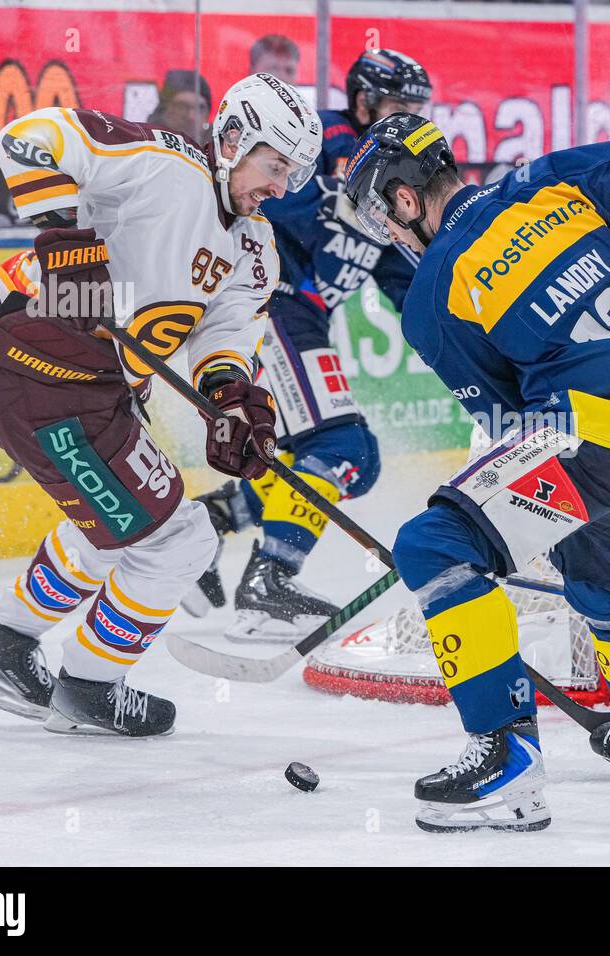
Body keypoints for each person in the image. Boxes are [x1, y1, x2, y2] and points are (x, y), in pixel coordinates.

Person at [344, 114, 610, 832]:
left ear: (404, 199)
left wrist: (486, 533)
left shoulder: (435, 292)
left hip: (592, 436)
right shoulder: (552, 183)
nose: (393, 234)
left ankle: (505, 756)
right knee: (602, 583)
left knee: (435, 547)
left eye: (385, 214)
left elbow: (508, 422)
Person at [0, 73, 321, 736]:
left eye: (292, 175)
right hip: (42, 376)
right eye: (274, 167)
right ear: (233, 138)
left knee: (117, 528)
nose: (280, 188)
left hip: (94, 394)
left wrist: (233, 402)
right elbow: (28, 138)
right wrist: (69, 246)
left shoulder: (256, 248)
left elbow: (223, 338)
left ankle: (3, 643)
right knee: (181, 542)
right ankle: (91, 685)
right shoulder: (162, 163)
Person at [183, 50, 432, 643]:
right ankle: (271, 577)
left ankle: (211, 524)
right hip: (268, 305)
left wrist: (448, 329)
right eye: (399, 107)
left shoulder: (391, 176)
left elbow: (401, 274)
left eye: (418, 110)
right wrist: (345, 193)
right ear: (365, 101)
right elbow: (266, 206)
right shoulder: (328, 141)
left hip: (298, 317)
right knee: (346, 446)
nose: (410, 119)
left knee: (321, 459)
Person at [147, 69, 213, 144]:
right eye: (181, 107)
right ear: (165, 109)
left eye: (200, 109)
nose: (191, 116)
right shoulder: (145, 143)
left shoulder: (218, 149)